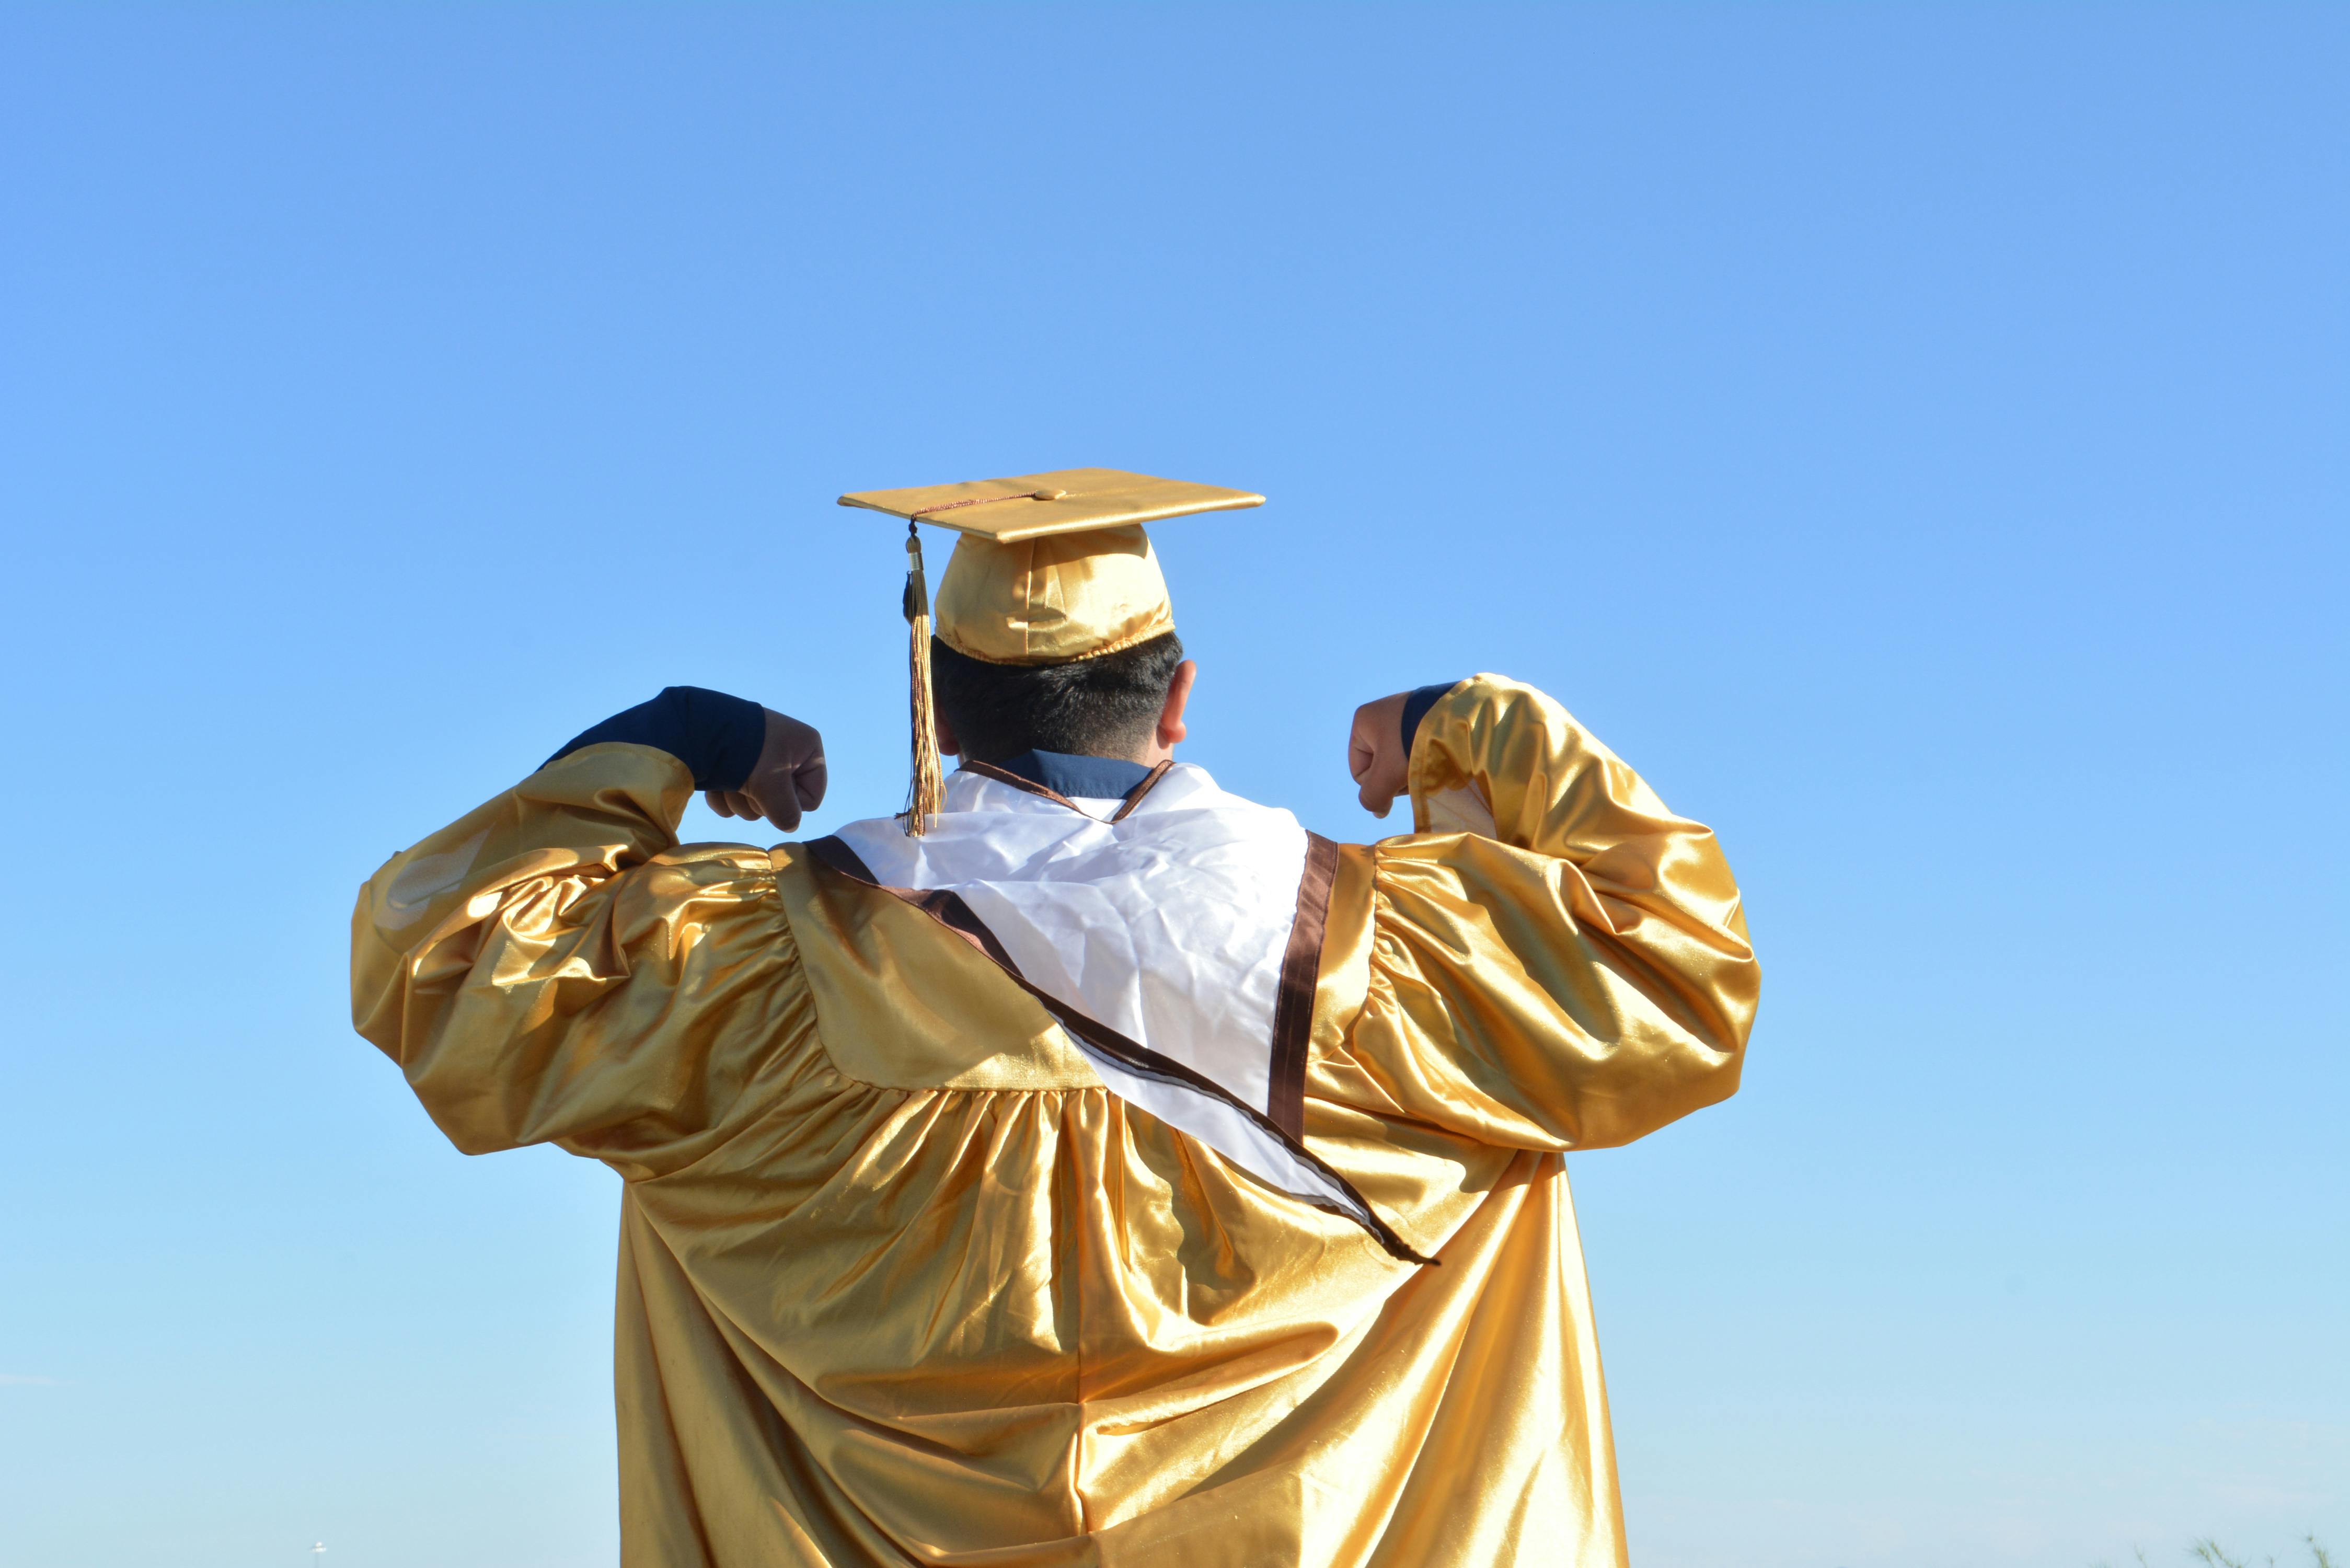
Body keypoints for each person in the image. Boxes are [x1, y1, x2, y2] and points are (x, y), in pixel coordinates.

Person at [350, 468, 1760, 1567]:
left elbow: (450, 957)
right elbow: (1682, 962)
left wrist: (671, 734)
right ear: (1182, 700)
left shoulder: (755, 966)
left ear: (940, 711)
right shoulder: (1404, 960)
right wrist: (1476, 722)